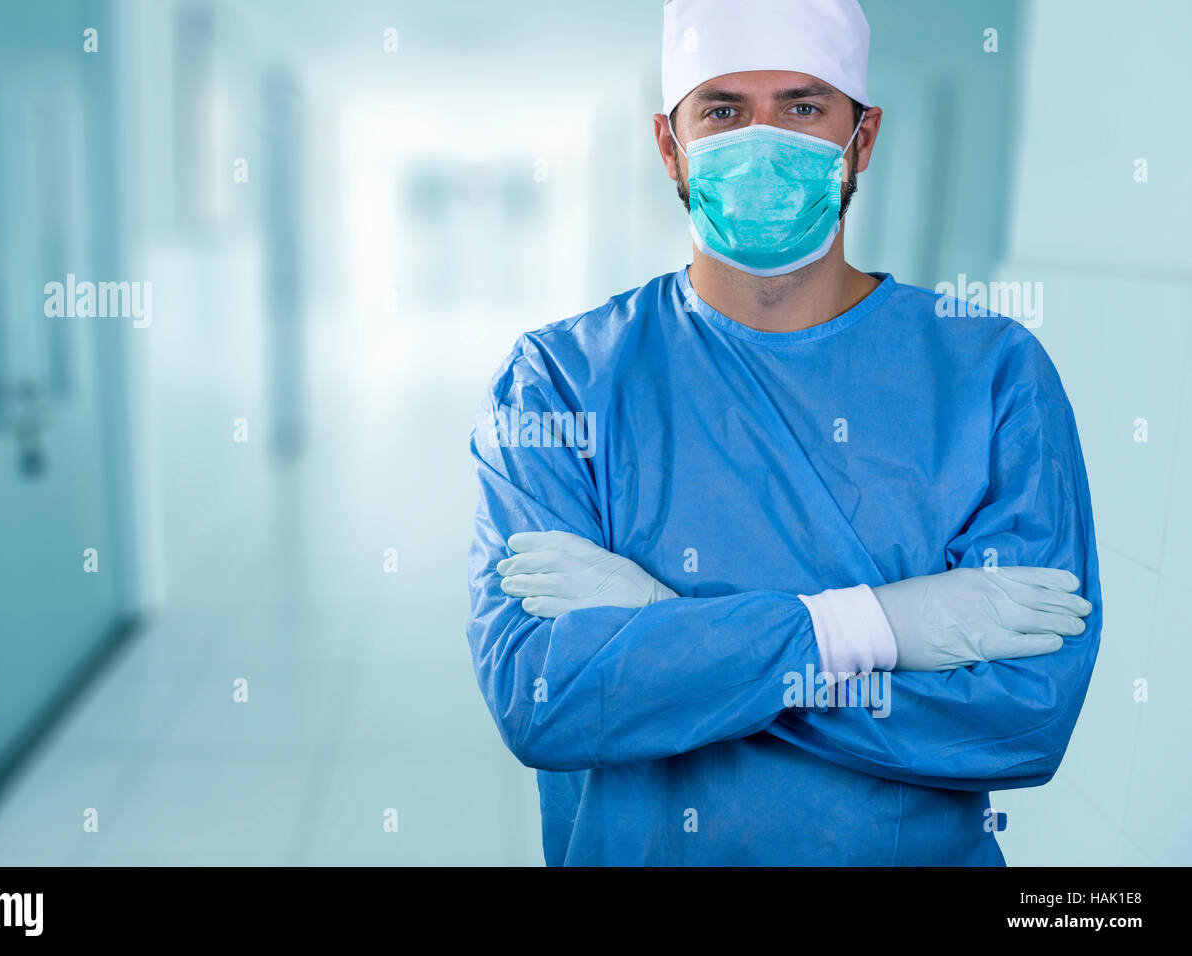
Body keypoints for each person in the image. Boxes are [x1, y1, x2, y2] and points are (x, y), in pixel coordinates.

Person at [464, 0, 1101, 866]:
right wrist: (866, 631)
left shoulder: (992, 374)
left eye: (802, 107)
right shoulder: (559, 380)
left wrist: (665, 633)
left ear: (861, 139)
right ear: (669, 145)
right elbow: (542, 694)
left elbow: (1024, 717)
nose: (762, 142)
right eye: (723, 110)